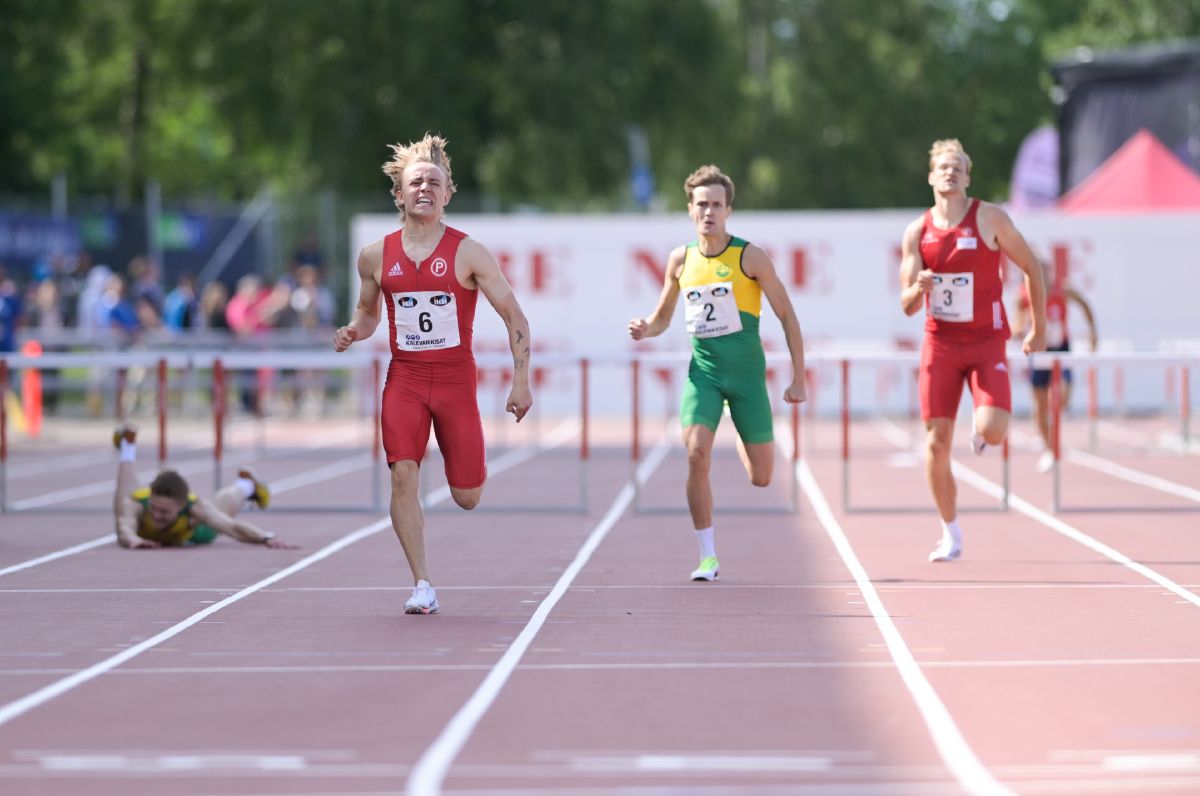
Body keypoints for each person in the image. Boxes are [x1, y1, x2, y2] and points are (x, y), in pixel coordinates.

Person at [333, 133, 532, 615]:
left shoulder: (470, 253)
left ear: (448, 194)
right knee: (404, 474)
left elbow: (515, 317)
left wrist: (520, 380)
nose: (425, 188)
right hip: (404, 380)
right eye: (416, 182)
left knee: (467, 495)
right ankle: (422, 583)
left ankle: (458, 460)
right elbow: (367, 312)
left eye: (434, 183)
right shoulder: (375, 256)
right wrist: (354, 331)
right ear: (399, 194)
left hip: (454, 381)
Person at [628, 164, 807, 582]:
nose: (709, 212)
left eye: (717, 205)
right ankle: (707, 555)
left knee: (762, 478)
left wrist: (798, 376)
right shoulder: (681, 259)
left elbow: (787, 315)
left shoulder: (750, 256)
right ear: (690, 210)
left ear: (728, 211)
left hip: (746, 379)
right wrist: (645, 329)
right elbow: (661, 319)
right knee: (695, 453)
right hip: (703, 375)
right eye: (702, 204)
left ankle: (744, 433)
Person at [899, 139, 1046, 563]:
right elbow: (906, 304)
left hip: (985, 342)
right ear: (931, 176)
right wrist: (918, 287)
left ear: (967, 177)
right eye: (943, 167)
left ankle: (981, 431)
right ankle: (950, 532)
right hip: (941, 344)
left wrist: (1039, 326)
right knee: (934, 444)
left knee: (995, 430)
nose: (950, 173)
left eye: (958, 168)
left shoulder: (990, 218)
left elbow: (1032, 267)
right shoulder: (917, 232)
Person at [112, 423, 295, 550]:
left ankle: (246, 486)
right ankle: (128, 447)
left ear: (182, 506)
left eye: (164, 512)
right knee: (124, 504)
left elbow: (232, 527)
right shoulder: (137, 504)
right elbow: (125, 527)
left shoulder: (195, 507)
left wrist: (265, 538)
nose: (157, 515)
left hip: (194, 535)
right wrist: (133, 540)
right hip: (144, 527)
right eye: (154, 508)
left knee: (222, 509)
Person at [1011, 263, 1098, 472]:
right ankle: (1050, 448)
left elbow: (1084, 304)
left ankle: (1056, 418)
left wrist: (1092, 331)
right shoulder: (1023, 296)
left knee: (1062, 395)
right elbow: (1015, 327)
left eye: (1043, 273)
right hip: (1039, 352)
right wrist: (1022, 327)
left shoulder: (1063, 290)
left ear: (1049, 273)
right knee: (1039, 406)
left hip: (1061, 350)